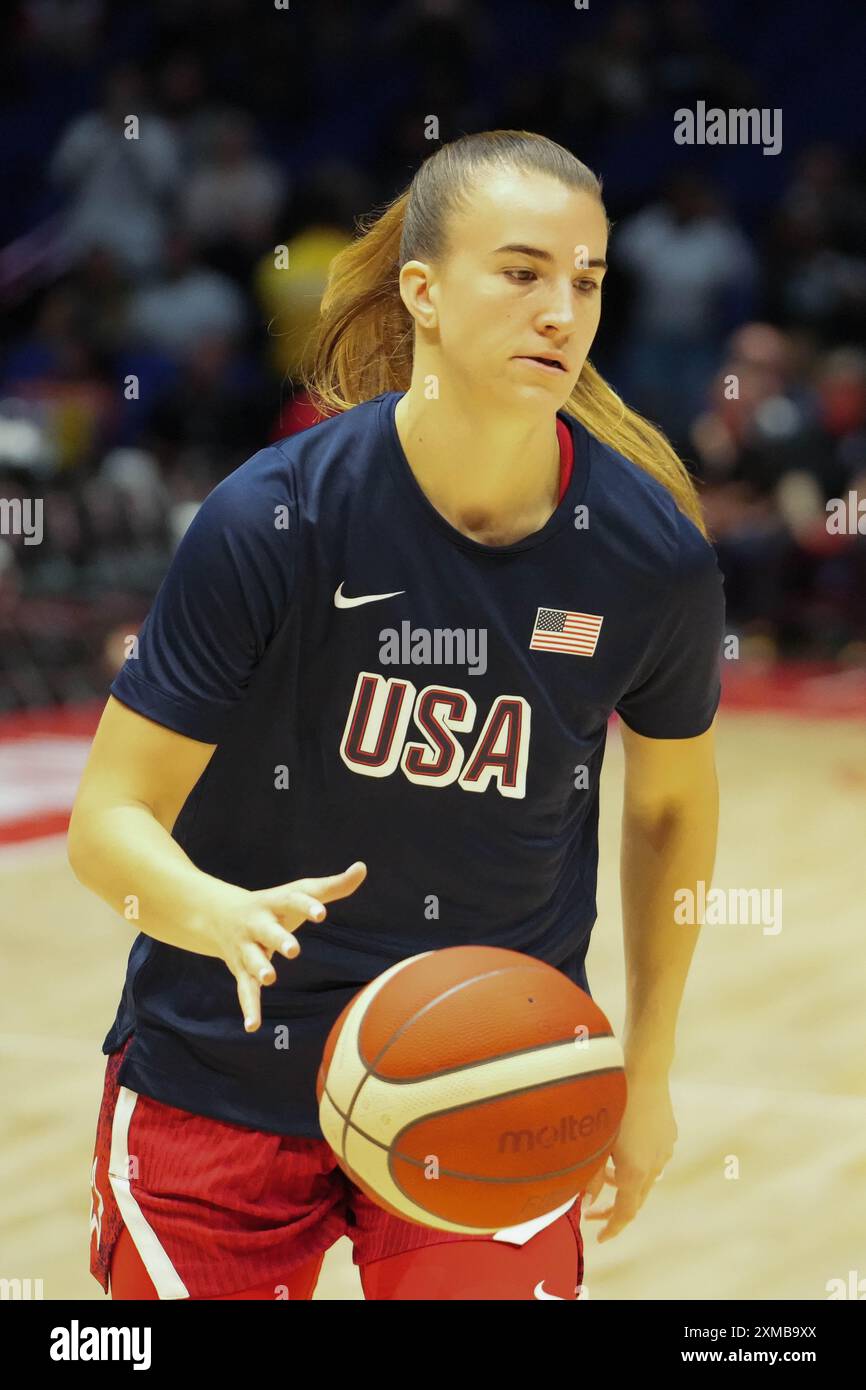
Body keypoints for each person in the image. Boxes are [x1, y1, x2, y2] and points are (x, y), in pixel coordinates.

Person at [69, 130, 724, 1301]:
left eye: (584, 280)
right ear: (420, 291)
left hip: (497, 1078)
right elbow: (108, 820)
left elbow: (671, 809)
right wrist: (213, 909)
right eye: (520, 272)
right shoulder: (270, 518)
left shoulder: (645, 554)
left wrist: (648, 1069)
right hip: (223, 1071)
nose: (559, 310)